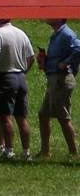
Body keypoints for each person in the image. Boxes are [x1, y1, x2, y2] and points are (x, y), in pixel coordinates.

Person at [0, 18, 35, 160]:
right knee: (21, 117)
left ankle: (9, 150)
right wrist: (23, 70)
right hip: (20, 77)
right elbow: (31, 57)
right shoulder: (21, 33)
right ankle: (26, 151)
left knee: (5, 116)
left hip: (4, 77)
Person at [38, 18, 80, 159]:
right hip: (54, 79)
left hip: (61, 79)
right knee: (43, 115)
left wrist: (65, 63)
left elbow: (78, 49)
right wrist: (46, 61)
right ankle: (45, 151)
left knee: (63, 117)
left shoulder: (67, 33)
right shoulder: (56, 34)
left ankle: (74, 153)